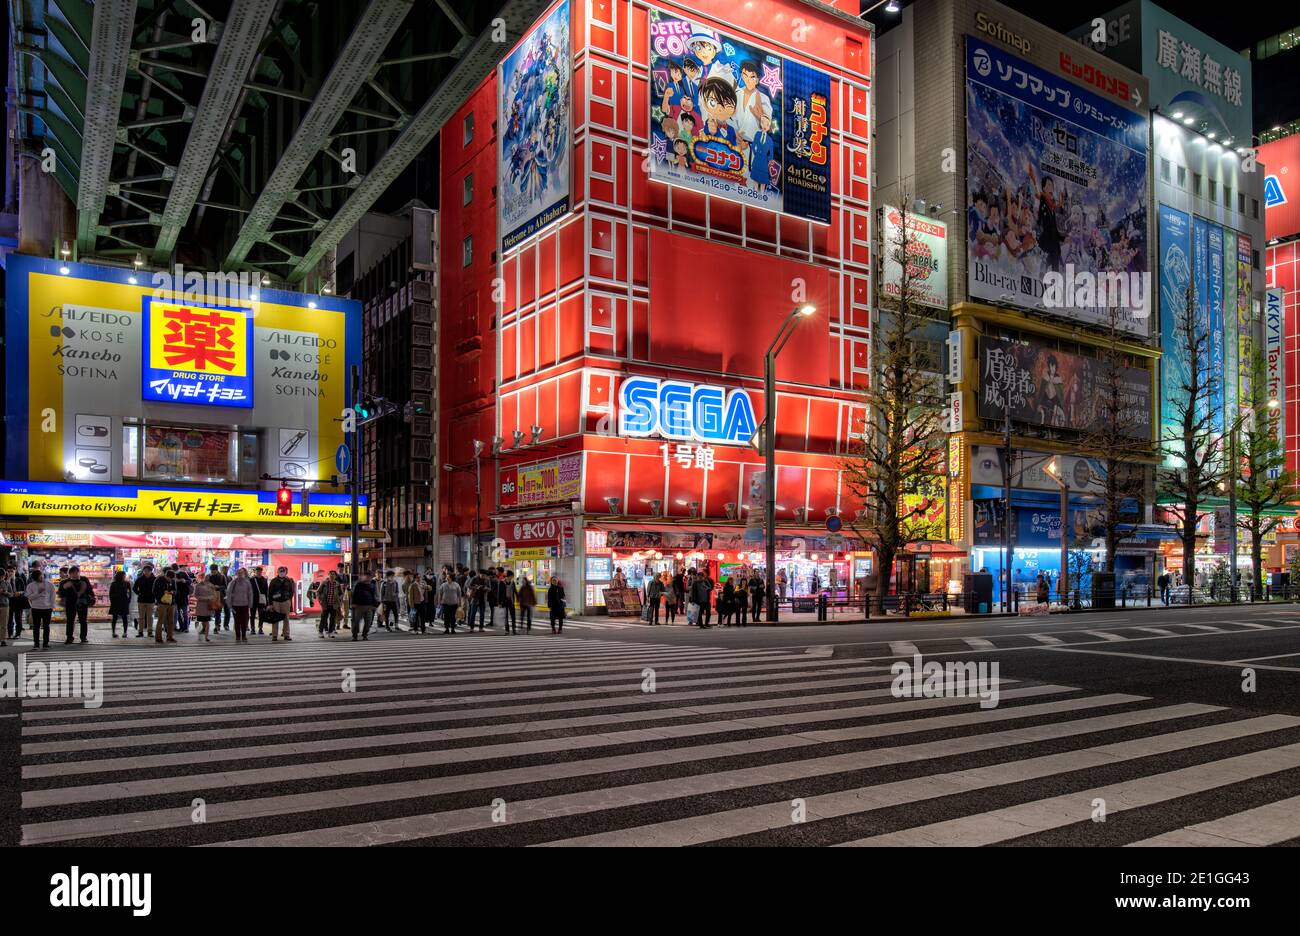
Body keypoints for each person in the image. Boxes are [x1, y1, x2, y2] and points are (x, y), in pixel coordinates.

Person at [58, 565, 95, 644]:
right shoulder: (64, 582)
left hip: (82, 603)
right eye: (73, 573)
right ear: (70, 574)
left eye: (77, 572)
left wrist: (92, 598)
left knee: (83, 620)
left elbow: (90, 590)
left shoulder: (84, 579)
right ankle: (69, 637)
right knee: (70, 621)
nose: (76, 574)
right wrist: (64, 587)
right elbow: (60, 594)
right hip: (70, 603)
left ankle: (83, 637)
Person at [25, 569, 55, 649]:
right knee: (36, 626)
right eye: (39, 576)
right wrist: (38, 592)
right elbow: (29, 597)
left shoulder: (49, 584)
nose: (41, 576)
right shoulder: (30, 586)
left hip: (47, 608)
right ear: (35, 577)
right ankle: (36, 644)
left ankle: (46, 643)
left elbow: (53, 596)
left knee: (46, 626)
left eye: (42, 575)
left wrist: (51, 606)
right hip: (36, 608)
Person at [226, 568, 255, 642]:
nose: (240, 574)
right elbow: (228, 593)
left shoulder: (247, 582)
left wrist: (250, 603)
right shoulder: (233, 582)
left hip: (245, 604)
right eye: (239, 573)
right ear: (236, 574)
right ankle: (238, 636)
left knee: (244, 621)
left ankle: (244, 635)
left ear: (244, 574)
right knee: (237, 621)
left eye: (241, 573)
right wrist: (229, 604)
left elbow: (250, 593)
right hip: (235, 605)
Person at [267, 566, 295, 641]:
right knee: (275, 618)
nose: (282, 573)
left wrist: (288, 599)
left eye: (283, 571)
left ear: (286, 572)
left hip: (285, 601)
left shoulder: (289, 581)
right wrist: (270, 604)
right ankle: (274, 635)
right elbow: (270, 593)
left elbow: (292, 591)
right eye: (280, 571)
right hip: (276, 602)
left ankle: (286, 635)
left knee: (286, 618)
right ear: (278, 572)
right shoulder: (273, 581)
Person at [152, 568, 178, 643]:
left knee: (171, 621)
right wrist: (163, 592)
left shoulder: (173, 581)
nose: (170, 580)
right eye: (169, 578)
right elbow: (154, 591)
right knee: (161, 620)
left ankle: (170, 637)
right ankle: (158, 637)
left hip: (171, 603)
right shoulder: (159, 579)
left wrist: (173, 592)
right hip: (161, 603)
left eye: (172, 579)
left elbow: (176, 590)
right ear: (166, 576)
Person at [351, 572, 378, 641]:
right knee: (356, 622)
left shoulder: (372, 585)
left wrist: (375, 605)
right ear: (363, 577)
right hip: (358, 606)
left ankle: (365, 635)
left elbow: (374, 596)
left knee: (368, 622)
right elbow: (354, 594)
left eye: (369, 577)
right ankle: (355, 635)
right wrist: (353, 603)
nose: (368, 578)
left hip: (369, 606)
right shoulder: (358, 584)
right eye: (366, 576)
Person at [317, 571, 343, 638]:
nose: (332, 576)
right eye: (331, 574)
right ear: (328, 575)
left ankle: (331, 632)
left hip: (334, 605)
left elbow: (341, 593)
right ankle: (320, 632)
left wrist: (339, 599)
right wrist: (320, 600)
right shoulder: (324, 583)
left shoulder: (337, 584)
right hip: (325, 604)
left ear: (335, 576)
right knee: (323, 618)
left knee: (332, 619)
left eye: (333, 574)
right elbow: (318, 592)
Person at [194, 575, 219, 642]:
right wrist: (203, 598)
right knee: (200, 620)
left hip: (208, 605)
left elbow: (214, 595)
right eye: (205, 577)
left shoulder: (211, 586)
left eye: (208, 577)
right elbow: (196, 595)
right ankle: (199, 633)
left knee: (206, 621)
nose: (206, 578)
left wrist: (209, 598)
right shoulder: (198, 585)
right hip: (201, 605)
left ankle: (206, 637)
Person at [108, 570, 131, 638]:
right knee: (117, 618)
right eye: (124, 575)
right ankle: (116, 632)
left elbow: (129, 593)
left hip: (120, 602)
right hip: (118, 602)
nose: (125, 576)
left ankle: (123, 632)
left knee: (121, 618)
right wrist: (128, 600)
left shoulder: (126, 583)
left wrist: (128, 601)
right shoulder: (115, 583)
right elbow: (111, 594)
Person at [207, 564, 228, 632]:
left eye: (213, 571)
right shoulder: (208, 576)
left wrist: (218, 587)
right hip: (210, 596)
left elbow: (225, 586)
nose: (212, 572)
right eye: (211, 571)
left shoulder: (222, 576)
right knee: (208, 612)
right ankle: (205, 627)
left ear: (217, 570)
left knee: (218, 612)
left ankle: (217, 626)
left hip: (219, 596)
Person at [496, 569, 518, 634]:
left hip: (511, 601)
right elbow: (499, 593)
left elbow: (515, 591)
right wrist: (499, 602)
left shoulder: (512, 582)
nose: (512, 577)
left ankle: (514, 630)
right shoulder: (501, 582)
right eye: (512, 576)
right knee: (505, 616)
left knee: (513, 616)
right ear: (509, 576)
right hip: (504, 601)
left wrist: (518, 597)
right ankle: (507, 630)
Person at [172, 564, 191, 633]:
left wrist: (184, 581)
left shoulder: (183, 574)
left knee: (185, 613)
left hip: (183, 596)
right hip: (176, 597)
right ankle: (181, 627)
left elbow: (189, 581)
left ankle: (186, 627)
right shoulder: (171, 575)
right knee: (178, 613)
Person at [251, 566, 269, 634]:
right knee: (252, 614)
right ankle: (252, 628)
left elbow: (266, 591)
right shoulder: (252, 580)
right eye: (257, 571)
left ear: (261, 572)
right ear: (255, 572)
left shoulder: (264, 580)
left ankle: (260, 628)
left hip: (261, 600)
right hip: (253, 599)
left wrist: (267, 602)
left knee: (261, 614)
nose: (259, 573)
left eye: (260, 571)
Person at [0, 568, 13, 647]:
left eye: (2, 576)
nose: (1, 578)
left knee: (4, 624)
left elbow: (11, 594)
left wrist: (4, 592)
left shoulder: (7, 583)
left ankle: (3, 640)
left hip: (5, 605)